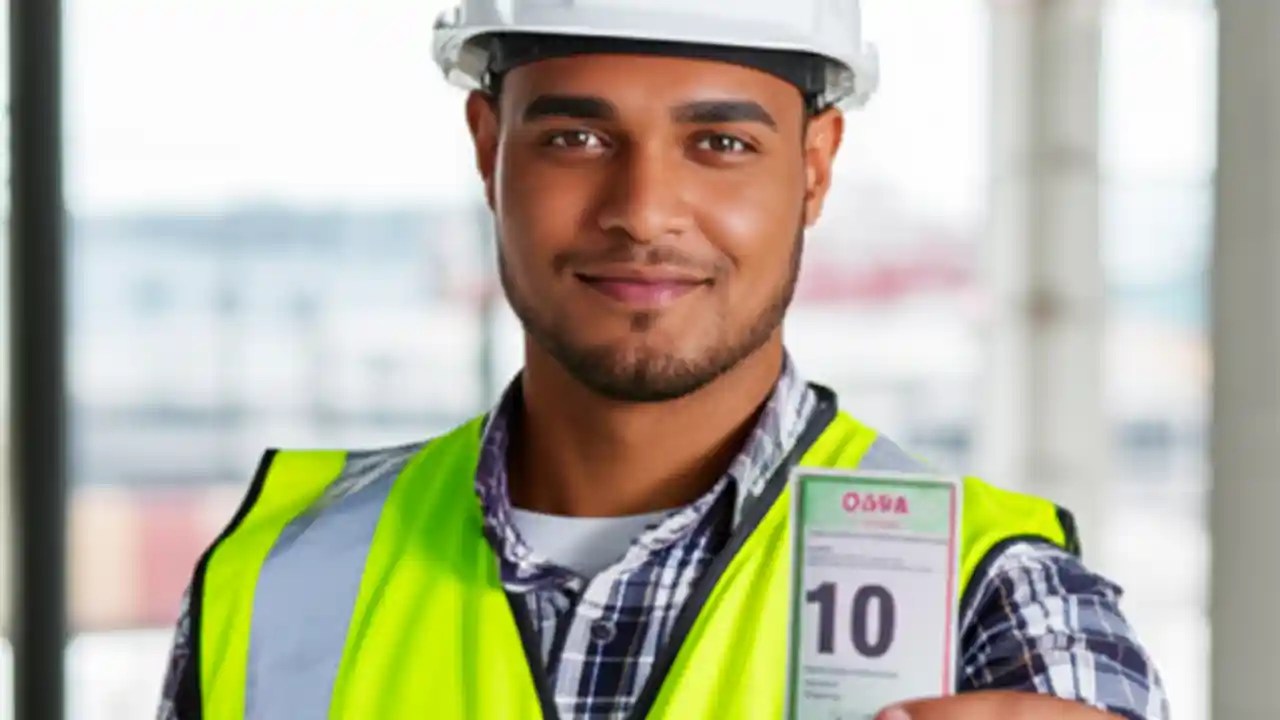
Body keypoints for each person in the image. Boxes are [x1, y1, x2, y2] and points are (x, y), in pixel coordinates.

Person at [157, 1, 1169, 718]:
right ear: (486, 145)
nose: (641, 212)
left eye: (719, 145)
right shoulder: (278, 580)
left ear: (814, 168)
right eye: (576, 138)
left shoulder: (987, 594)